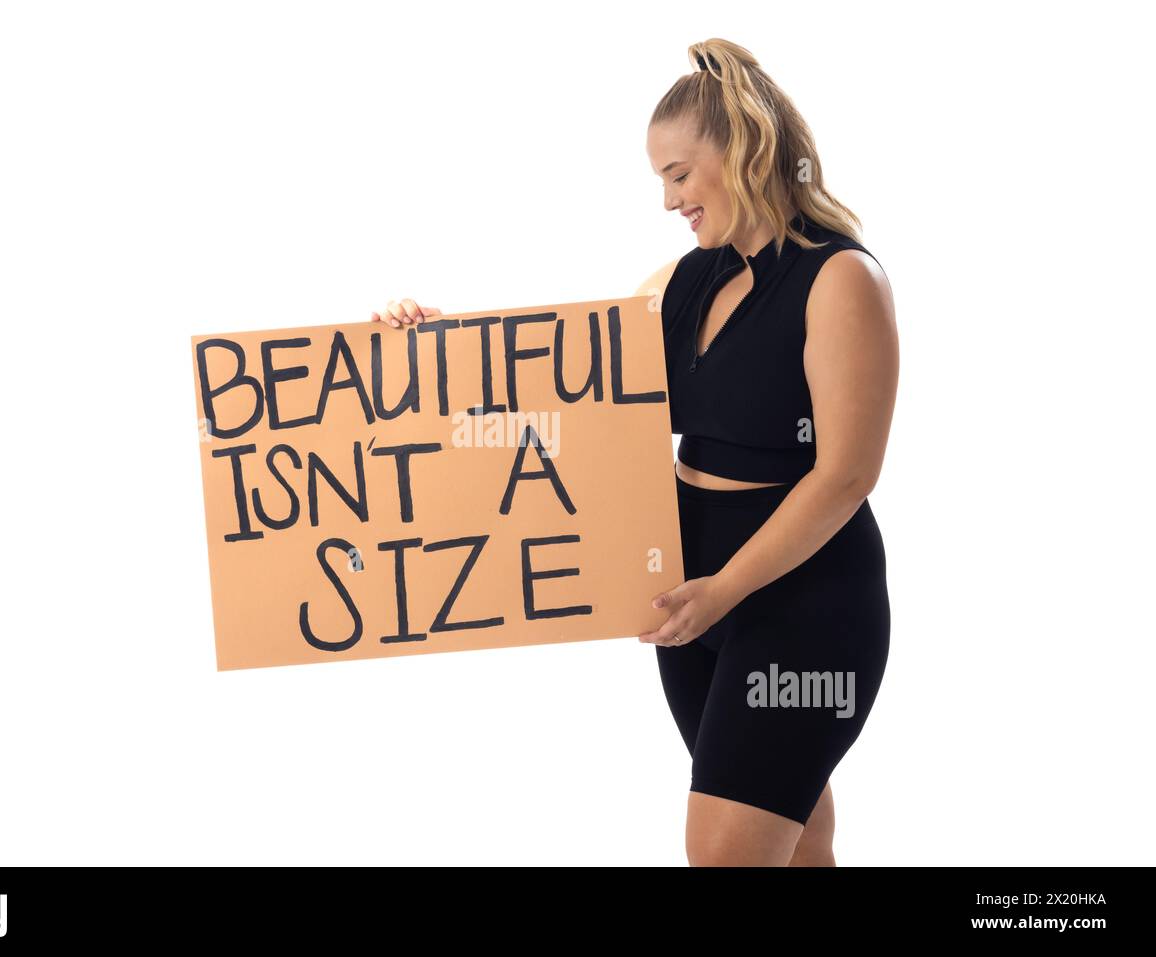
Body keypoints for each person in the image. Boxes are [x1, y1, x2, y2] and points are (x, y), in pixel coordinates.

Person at [371, 37, 898, 868]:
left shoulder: (841, 280)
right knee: (797, 844)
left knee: (725, 853)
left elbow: (845, 474)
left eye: (680, 174)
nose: (667, 200)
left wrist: (725, 589)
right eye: (661, 178)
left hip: (801, 605)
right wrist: (437, 346)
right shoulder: (684, 278)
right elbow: (571, 380)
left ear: (745, 150)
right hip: (691, 602)